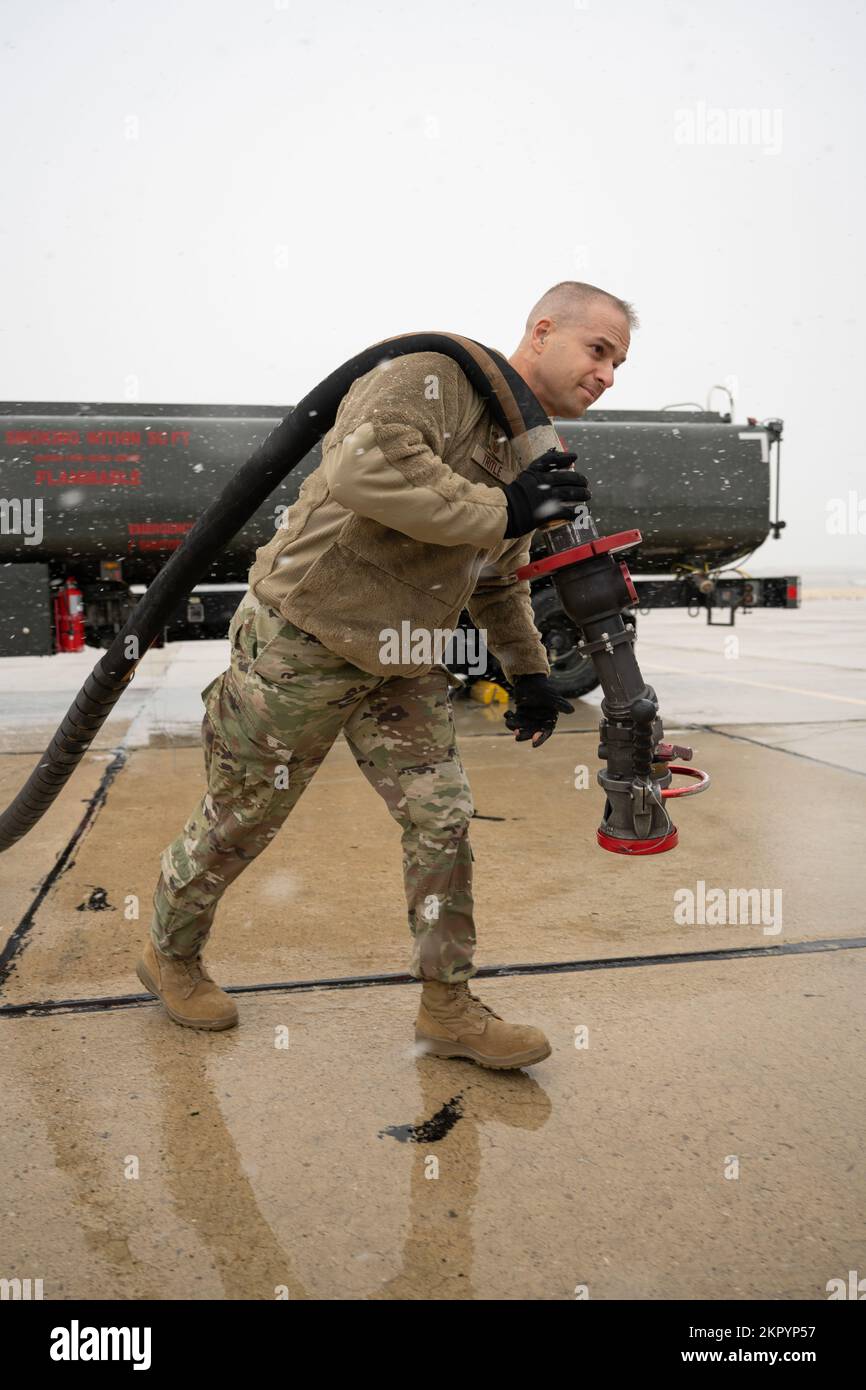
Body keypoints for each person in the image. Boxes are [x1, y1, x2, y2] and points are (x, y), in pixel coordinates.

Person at [136, 280, 635, 1069]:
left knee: (442, 818)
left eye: (620, 364)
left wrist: (530, 672)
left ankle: (448, 1008)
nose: (608, 375)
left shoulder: (528, 457)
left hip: (406, 660)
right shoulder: (431, 378)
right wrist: (505, 508)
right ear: (542, 332)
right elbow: (367, 473)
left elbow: (498, 576)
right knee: (243, 819)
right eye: (598, 350)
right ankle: (171, 952)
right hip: (305, 638)